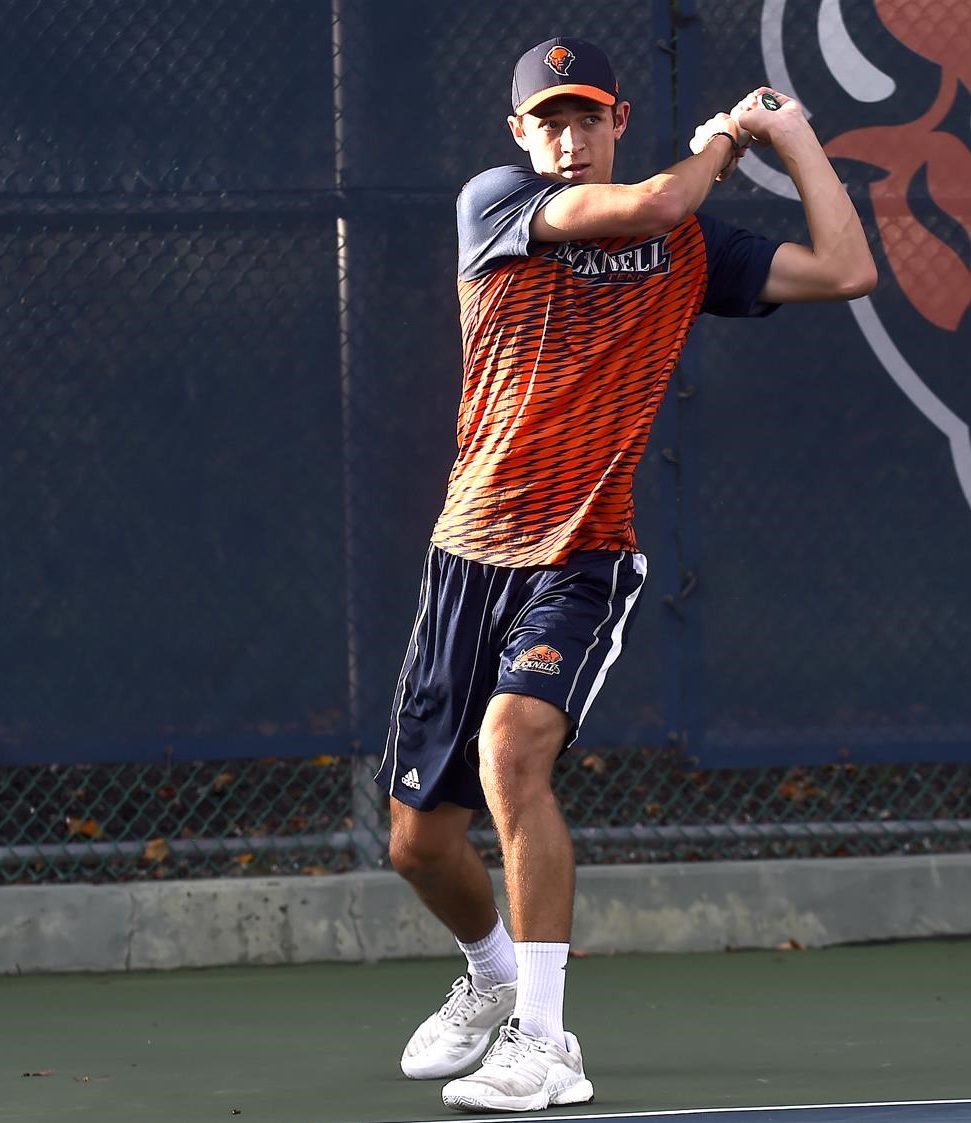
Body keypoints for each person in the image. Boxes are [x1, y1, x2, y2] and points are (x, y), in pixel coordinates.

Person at [374, 34, 876, 1114]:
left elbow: (846, 268)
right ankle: (493, 975)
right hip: (469, 552)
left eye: (585, 118)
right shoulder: (499, 205)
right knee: (418, 844)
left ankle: (545, 1040)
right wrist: (721, 143)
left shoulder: (688, 243)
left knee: (513, 751)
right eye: (547, 119)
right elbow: (651, 207)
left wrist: (794, 141)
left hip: (585, 555)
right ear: (519, 135)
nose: (566, 135)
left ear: (616, 122)